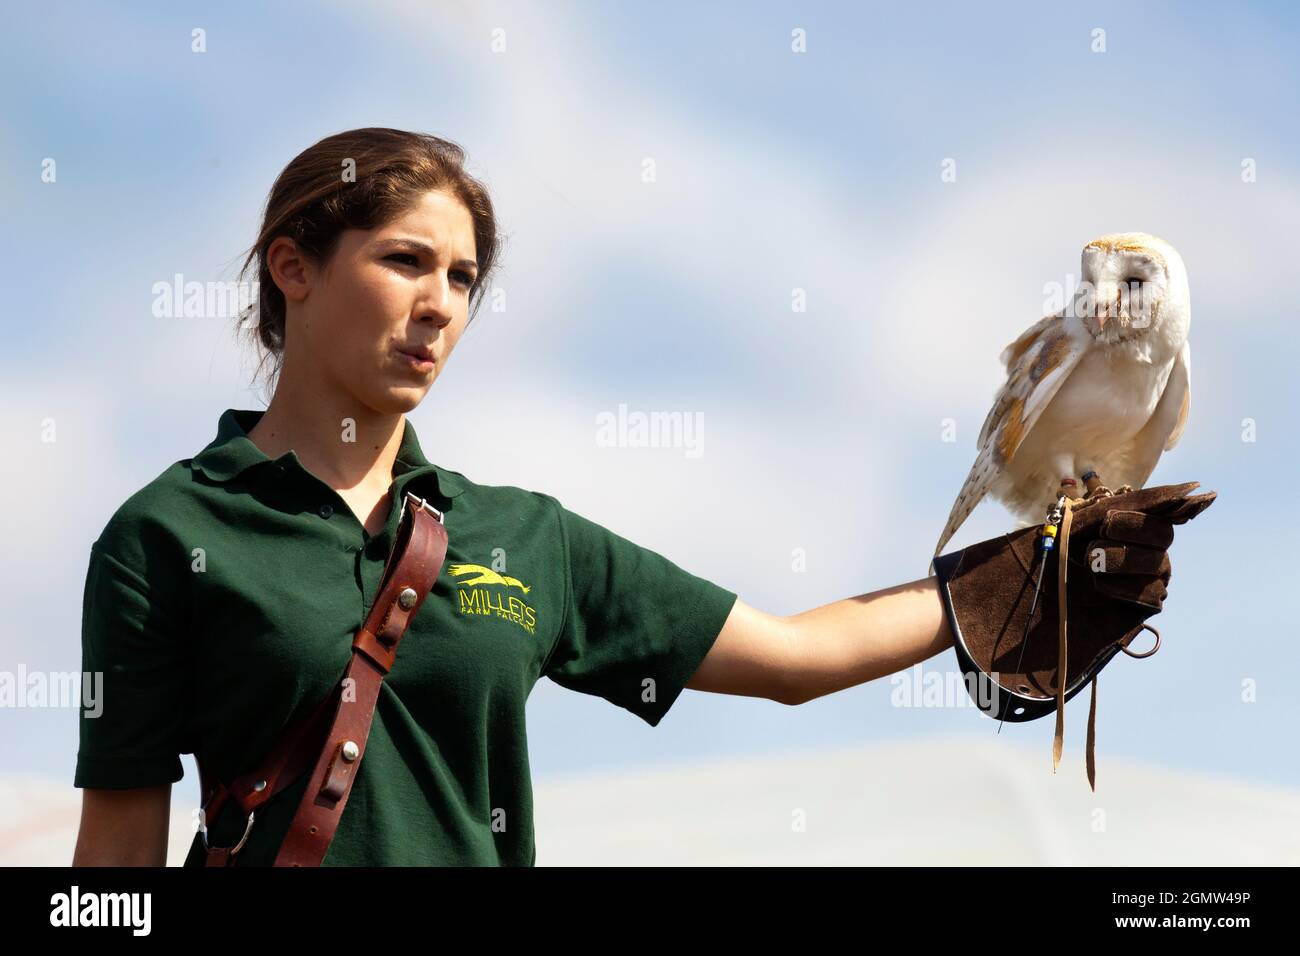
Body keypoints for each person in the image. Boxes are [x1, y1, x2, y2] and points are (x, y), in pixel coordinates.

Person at [71, 128, 1205, 867]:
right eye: (405, 261)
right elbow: (113, 859)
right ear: (294, 268)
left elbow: (794, 657)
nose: (440, 305)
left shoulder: (523, 538)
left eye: (463, 278)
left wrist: (1009, 580)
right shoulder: (170, 535)